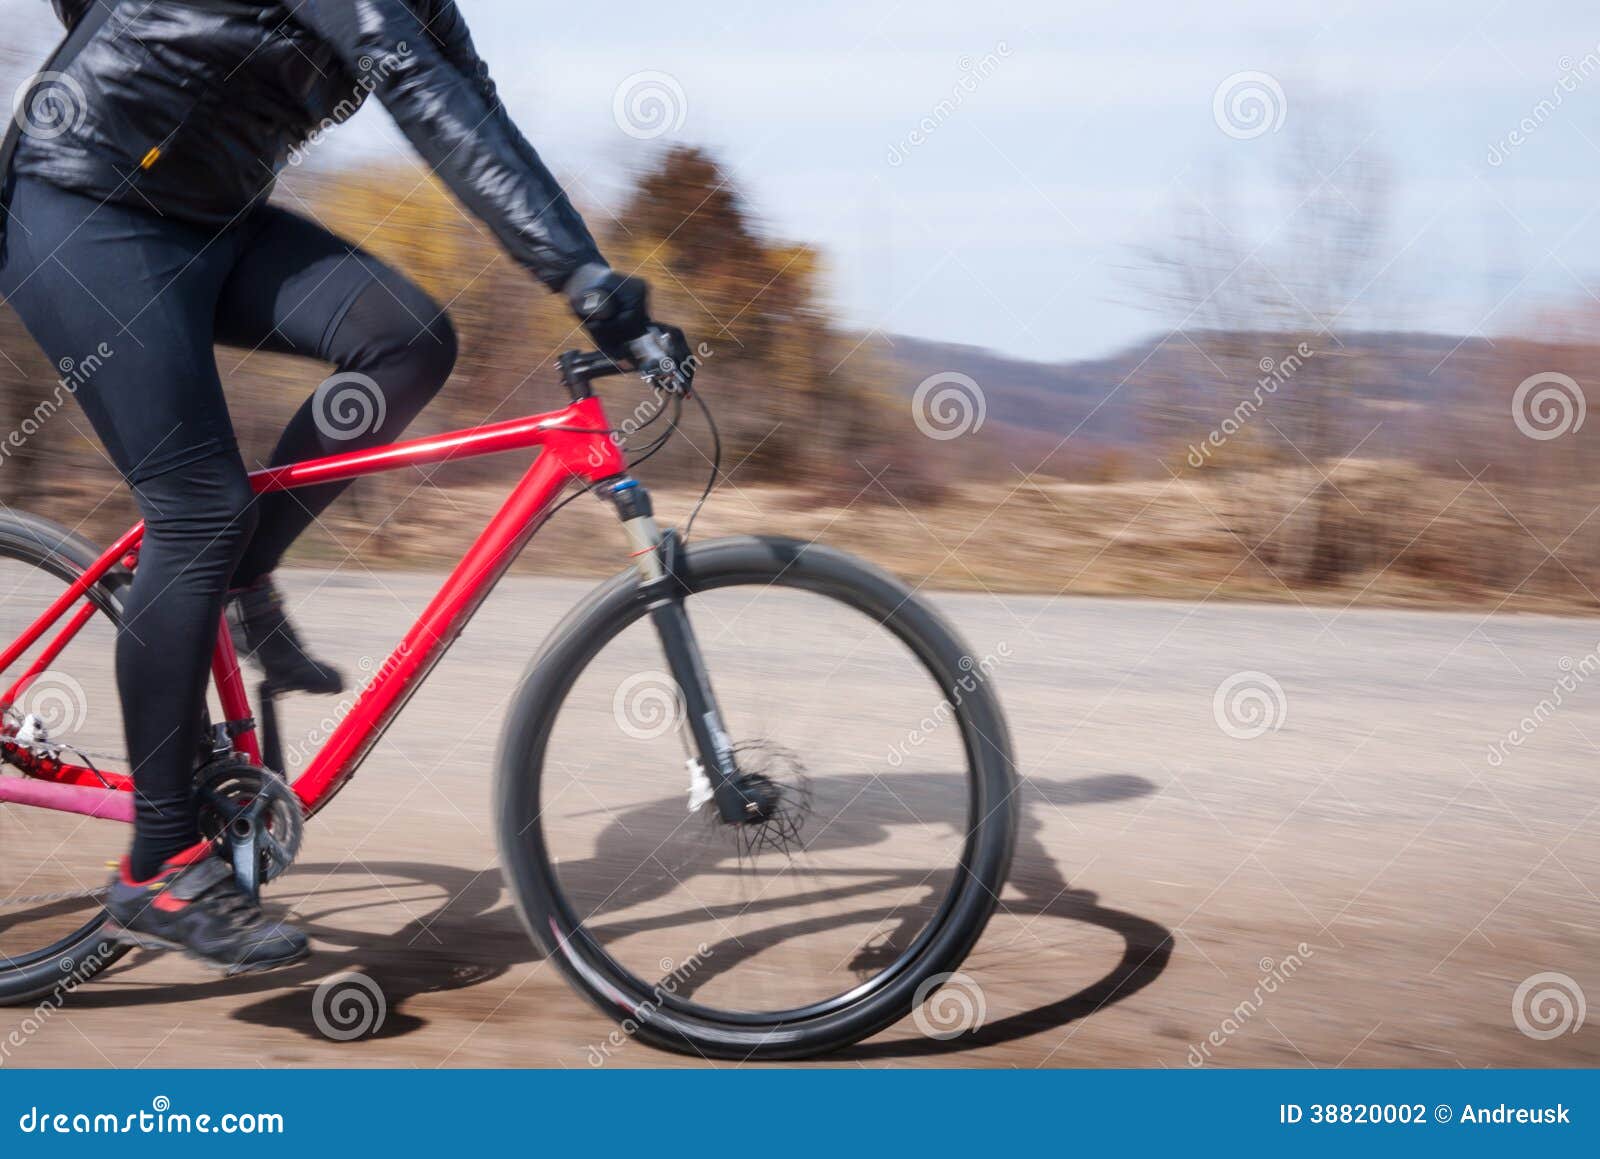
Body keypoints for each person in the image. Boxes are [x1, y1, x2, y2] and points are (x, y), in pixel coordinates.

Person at [0, 0, 688, 974]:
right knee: (197, 508)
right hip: (88, 206)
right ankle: (158, 868)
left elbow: (471, 109)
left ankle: (239, 577)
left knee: (407, 339)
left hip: (212, 217)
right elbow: (412, 86)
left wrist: (595, 278)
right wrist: (576, 280)